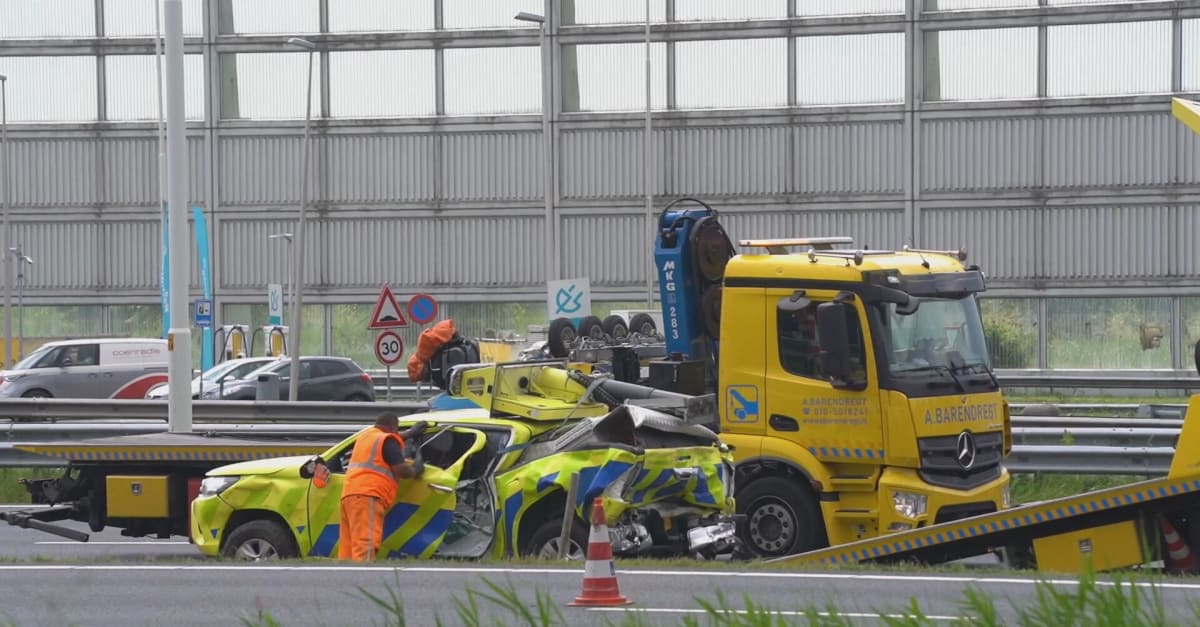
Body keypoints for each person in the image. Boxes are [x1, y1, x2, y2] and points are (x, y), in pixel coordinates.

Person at [338, 413, 429, 561]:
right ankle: (363, 578)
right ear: (393, 427)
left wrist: (410, 433)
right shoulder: (388, 440)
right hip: (369, 495)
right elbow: (401, 470)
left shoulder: (366, 435)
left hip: (350, 494)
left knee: (348, 547)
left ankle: (347, 578)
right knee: (365, 544)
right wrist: (415, 469)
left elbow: (389, 442)